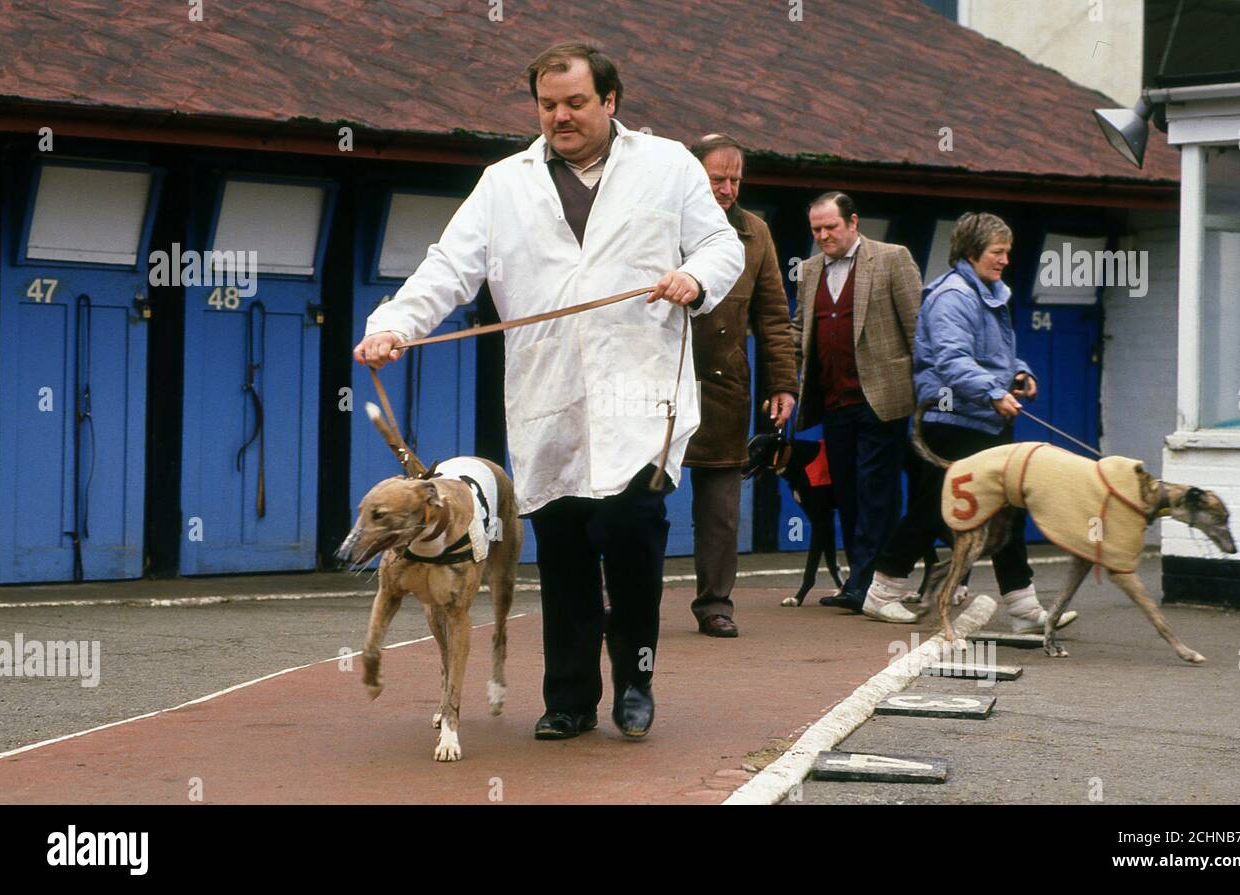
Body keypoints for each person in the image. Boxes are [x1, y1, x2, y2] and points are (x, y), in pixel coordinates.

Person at [352, 43, 744, 739]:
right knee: (562, 551)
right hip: (550, 394)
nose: (560, 116)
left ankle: (635, 683)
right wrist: (392, 325)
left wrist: (695, 278)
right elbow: (449, 266)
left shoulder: (669, 166)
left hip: (638, 396)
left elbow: (722, 246)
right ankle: (567, 699)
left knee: (631, 542)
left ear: (611, 100)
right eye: (548, 104)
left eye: (575, 103)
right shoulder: (505, 182)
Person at [867, 211, 1078, 633]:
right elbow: (950, 359)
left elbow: (996, 356)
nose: (1004, 260)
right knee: (932, 508)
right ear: (971, 251)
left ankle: (1023, 609)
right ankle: (882, 594)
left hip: (983, 421)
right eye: (997, 252)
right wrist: (993, 392)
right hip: (951, 421)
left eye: (1007, 253)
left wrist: (1019, 374)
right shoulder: (954, 296)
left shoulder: (991, 291)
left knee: (1006, 510)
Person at [683, 134, 798, 638]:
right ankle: (623, 601)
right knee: (639, 500)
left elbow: (774, 316)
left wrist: (783, 384)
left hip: (724, 384)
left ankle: (715, 605)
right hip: (654, 385)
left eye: (735, 179)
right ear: (692, 176)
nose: (728, 188)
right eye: (716, 179)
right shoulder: (660, 227)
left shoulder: (757, 234)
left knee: (721, 512)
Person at [790, 192, 924, 622]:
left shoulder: (891, 258)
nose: (823, 236)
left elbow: (919, 326)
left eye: (830, 227)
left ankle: (873, 584)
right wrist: (783, 382)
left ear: (853, 222)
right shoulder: (809, 270)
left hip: (883, 397)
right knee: (845, 490)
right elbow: (799, 331)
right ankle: (857, 582)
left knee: (876, 492)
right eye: (816, 229)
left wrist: (926, 393)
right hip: (833, 399)